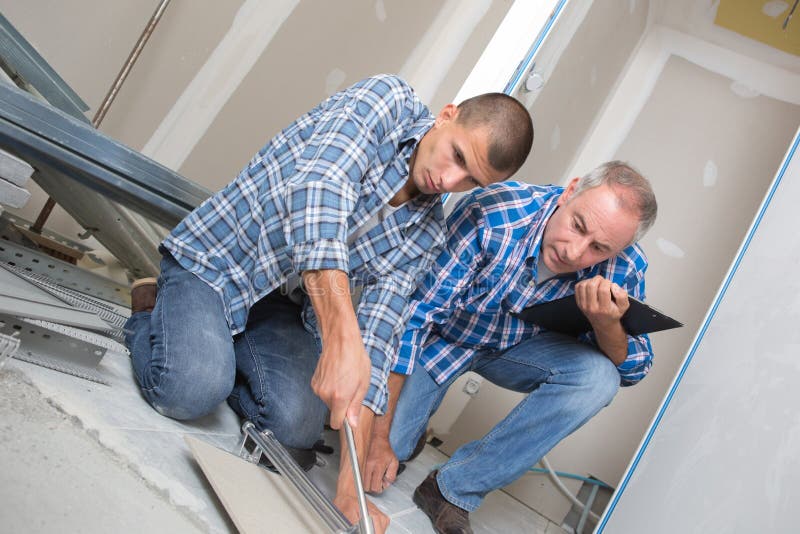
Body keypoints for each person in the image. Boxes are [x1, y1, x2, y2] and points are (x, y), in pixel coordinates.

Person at [123, 74, 533, 531]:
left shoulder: (427, 232)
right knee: (190, 391)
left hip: (282, 307)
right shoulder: (386, 102)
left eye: (469, 180)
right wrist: (340, 337)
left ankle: (217, 343)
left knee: (297, 428)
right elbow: (319, 190)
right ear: (447, 115)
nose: (448, 180)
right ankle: (151, 311)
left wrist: (347, 487)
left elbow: (378, 339)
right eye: (457, 156)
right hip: (219, 265)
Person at [363, 161, 657, 534]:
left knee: (600, 379)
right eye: (578, 225)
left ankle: (451, 489)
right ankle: (412, 428)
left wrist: (606, 324)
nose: (574, 252)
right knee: (384, 451)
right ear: (570, 191)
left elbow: (635, 369)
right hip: (445, 338)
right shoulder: (494, 212)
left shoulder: (626, 265)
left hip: (520, 348)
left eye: (598, 248)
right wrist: (376, 437)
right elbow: (414, 317)